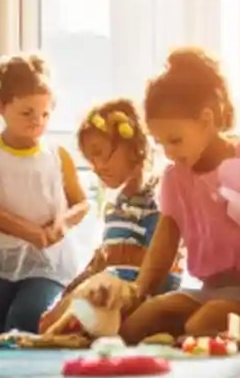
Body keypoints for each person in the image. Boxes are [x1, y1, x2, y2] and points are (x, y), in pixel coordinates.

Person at [118, 49, 240, 344]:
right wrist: (140, 288)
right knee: (138, 323)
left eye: (175, 140)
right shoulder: (176, 178)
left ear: (205, 120)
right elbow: (167, 234)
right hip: (212, 288)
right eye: (161, 143)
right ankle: (186, 336)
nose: (169, 152)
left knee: (203, 324)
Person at [0, 53, 91, 338]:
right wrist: (28, 231)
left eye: (45, 113)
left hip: (47, 264)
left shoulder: (58, 155)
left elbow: (82, 203)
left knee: (26, 321)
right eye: (27, 113)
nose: (37, 121)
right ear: (0, 107)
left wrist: (63, 223)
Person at [38, 99, 182, 333]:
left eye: (99, 154)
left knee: (91, 316)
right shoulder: (118, 205)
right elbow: (104, 260)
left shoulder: (158, 200)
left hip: (138, 294)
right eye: (90, 159)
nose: (95, 166)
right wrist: (70, 291)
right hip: (108, 286)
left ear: (135, 147)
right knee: (49, 321)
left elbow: (159, 267)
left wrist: (112, 273)